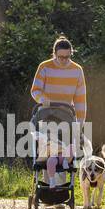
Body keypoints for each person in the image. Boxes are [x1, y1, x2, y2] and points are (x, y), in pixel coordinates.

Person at [29, 36, 87, 185]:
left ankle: (60, 190)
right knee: (47, 153)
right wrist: (44, 100)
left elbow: (80, 100)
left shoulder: (77, 70)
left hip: (66, 117)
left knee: (63, 154)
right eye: (60, 57)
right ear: (54, 53)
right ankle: (48, 188)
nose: (64, 60)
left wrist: (79, 124)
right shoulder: (45, 67)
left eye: (67, 57)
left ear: (71, 54)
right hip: (46, 115)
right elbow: (35, 90)